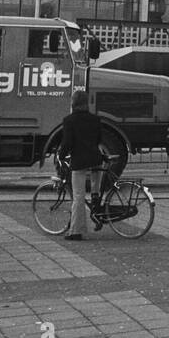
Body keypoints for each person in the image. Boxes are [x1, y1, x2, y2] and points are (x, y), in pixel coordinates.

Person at [60, 90, 104, 241]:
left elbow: (67, 143)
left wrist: (60, 155)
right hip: (96, 159)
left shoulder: (69, 120)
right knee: (95, 189)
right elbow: (98, 140)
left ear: (73, 103)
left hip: (79, 161)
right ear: (86, 103)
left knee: (78, 196)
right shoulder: (95, 119)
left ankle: (76, 231)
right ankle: (96, 208)